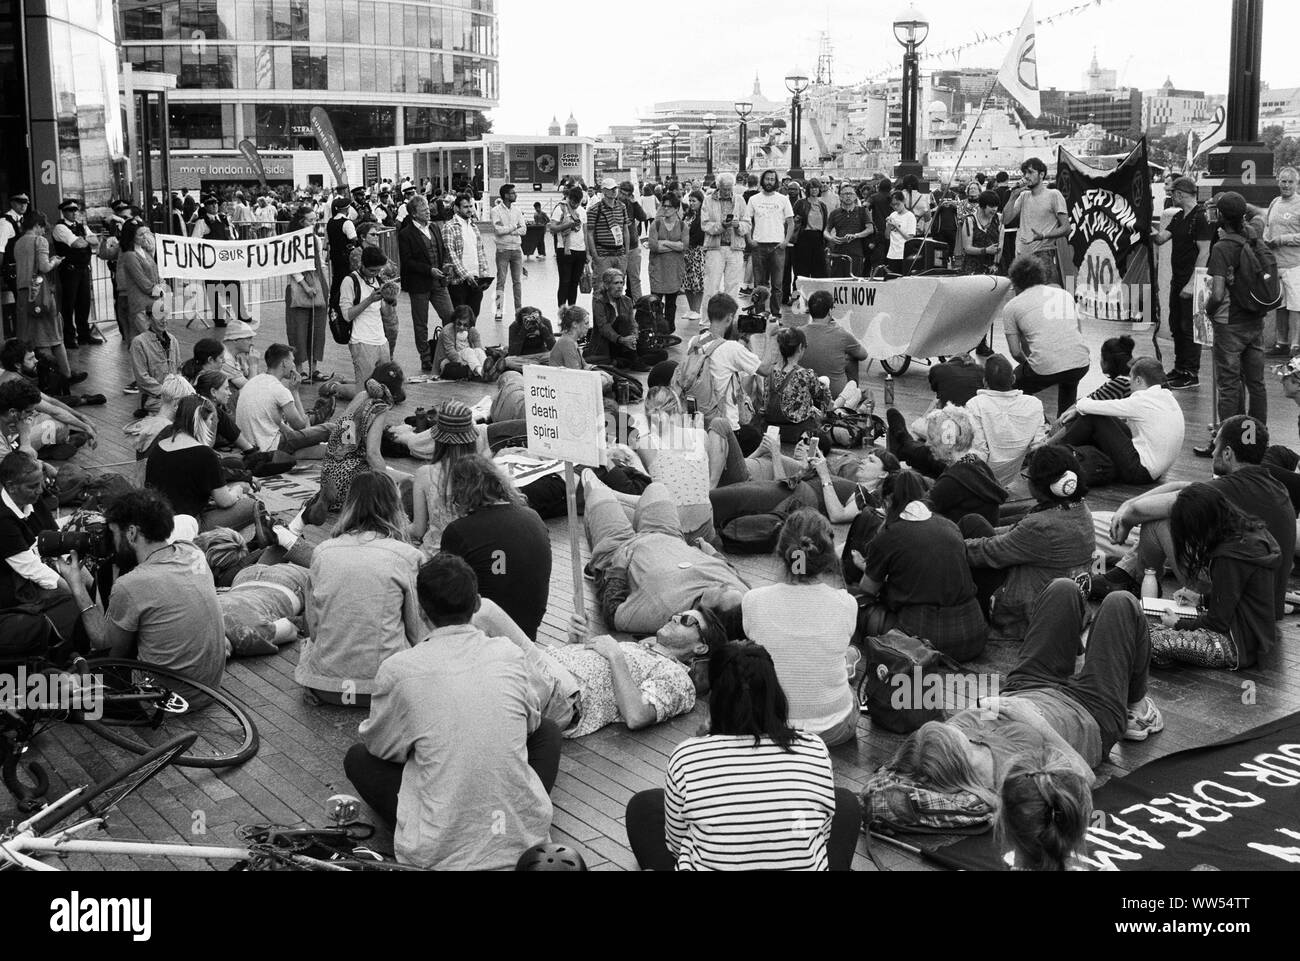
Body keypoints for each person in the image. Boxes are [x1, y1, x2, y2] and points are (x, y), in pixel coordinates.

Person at [865, 581, 1163, 843]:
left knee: (1062, 589)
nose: (959, 729)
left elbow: (877, 791)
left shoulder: (942, 746)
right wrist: (1036, 722)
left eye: (954, 731)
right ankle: (1135, 708)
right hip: (1088, 714)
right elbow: (1084, 778)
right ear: (960, 761)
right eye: (959, 737)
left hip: (1027, 687)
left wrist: (990, 708)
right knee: (1120, 602)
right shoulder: (1013, 777)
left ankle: (1073, 661)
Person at [344, 553, 558, 870]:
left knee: (358, 757)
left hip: (439, 849)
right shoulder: (507, 652)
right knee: (548, 732)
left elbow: (381, 746)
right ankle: (516, 811)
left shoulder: (398, 669)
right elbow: (531, 721)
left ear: (420, 610)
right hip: (521, 840)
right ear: (476, 604)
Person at [624, 641, 859, 871]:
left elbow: (675, 844)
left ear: (716, 697)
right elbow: (823, 834)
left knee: (643, 806)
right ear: (774, 693)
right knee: (845, 802)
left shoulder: (686, 757)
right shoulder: (814, 748)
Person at [1096, 415, 1294, 622]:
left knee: (1157, 522)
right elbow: (1182, 487)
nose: (1213, 453)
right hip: (1266, 602)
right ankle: (1130, 575)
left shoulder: (1223, 489)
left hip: (1234, 601)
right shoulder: (1274, 485)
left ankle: (1139, 584)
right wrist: (1126, 506)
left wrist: (1126, 519)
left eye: (1215, 446)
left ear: (1227, 454)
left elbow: (1141, 510)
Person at [55, 487, 226, 690]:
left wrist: (77, 586)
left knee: (45, 688)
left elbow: (107, 650)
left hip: (161, 699)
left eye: (113, 533)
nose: (111, 542)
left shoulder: (132, 583)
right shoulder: (192, 552)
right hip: (209, 688)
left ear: (132, 532)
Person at [297, 472, 425, 706]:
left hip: (326, 686)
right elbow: (417, 632)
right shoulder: (408, 556)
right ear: (394, 507)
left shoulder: (322, 552)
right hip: (384, 688)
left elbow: (313, 629)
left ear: (349, 505)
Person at [582, 468, 747, 636]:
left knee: (596, 493)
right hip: (667, 534)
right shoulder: (741, 594)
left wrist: (617, 571)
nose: (723, 584)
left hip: (619, 548)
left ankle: (616, 504)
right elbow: (731, 570)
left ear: (709, 613)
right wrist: (714, 555)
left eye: (722, 591)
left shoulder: (663, 611)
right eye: (728, 586)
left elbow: (612, 615)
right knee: (657, 488)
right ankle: (624, 504)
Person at [741, 509, 857, 746]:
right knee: (849, 654)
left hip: (769, 726)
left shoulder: (753, 600)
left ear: (781, 552)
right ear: (826, 556)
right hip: (832, 730)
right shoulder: (846, 603)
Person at [963, 445, 1096, 641]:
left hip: (1029, 616)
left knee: (970, 532)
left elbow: (989, 552)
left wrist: (949, 543)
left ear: (1043, 486)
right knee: (976, 525)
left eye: (1029, 477)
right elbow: (1016, 534)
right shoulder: (1080, 508)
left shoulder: (1041, 525)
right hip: (1067, 607)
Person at [854, 469, 987, 660]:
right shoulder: (949, 525)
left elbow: (868, 588)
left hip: (924, 640)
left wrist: (863, 567)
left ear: (889, 500)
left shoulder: (888, 535)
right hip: (973, 635)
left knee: (855, 602)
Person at [1147, 483, 1279, 671]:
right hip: (1249, 636)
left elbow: (1217, 623)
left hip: (1233, 645)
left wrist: (1178, 623)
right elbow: (1237, 595)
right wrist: (1201, 599)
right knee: (1146, 633)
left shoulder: (1229, 556)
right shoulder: (1247, 535)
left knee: (1151, 639)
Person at [554, 600, 731, 739]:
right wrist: (573, 642)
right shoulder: (639, 648)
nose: (675, 619)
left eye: (687, 621)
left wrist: (615, 655)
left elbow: (637, 716)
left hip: (562, 692)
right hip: (548, 667)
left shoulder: (678, 678)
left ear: (700, 647)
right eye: (677, 615)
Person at [440, 454, 551, 641]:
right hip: (527, 630)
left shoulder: (459, 531)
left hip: (485, 635)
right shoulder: (534, 518)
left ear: (461, 491)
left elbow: (445, 593)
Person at [1058, 357, 1185, 486]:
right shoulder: (1166, 397)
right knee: (1102, 416)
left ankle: (1051, 454)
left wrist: (1078, 407)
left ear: (1139, 380)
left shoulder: (1142, 400)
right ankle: (1059, 452)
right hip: (1154, 471)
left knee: (1094, 416)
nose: (1129, 383)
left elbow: (1090, 406)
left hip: (1140, 472)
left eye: (1131, 378)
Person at [1204, 191, 1268, 432]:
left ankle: (1232, 439)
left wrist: (1207, 310)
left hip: (1230, 324)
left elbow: (1218, 294)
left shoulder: (1222, 247)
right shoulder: (1255, 235)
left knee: (1230, 384)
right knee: (1256, 384)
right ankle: (1257, 437)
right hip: (1255, 321)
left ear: (1220, 215)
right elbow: (1259, 214)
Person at [678, 293, 775, 454]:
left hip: (699, 423)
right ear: (730, 318)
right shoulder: (731, 349)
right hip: (726, 428)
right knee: (759, 439)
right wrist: (770, 336)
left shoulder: (694, 342)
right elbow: (765, 370)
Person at [145, 395, 256, 531]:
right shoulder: (204, 454)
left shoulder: (159, 447)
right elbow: (225, 501)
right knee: (252, 505)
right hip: (189, 527)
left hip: (158, 523)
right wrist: (237, 491)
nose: (211, 424)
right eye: (210, 419)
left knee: (234, 477)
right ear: (200, 422)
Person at [1003, 255, 1090, 417]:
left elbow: (1015, 352)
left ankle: (1039, 424)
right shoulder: (1064, 294)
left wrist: (1031, 364)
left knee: (1012, 387)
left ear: (1015, 281)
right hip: (1081, 363)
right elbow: (1077, 332)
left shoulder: (1011, 307)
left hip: (1046, 368)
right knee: (1068, 386)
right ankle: (1062, 431)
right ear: (1041, 276)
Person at [1151, 176, 1212, 388]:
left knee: (1190, 327)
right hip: (1178, 278)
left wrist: (1192, 283)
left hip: (1193, 281)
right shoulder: (1178, 216)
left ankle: (1191, 371)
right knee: (1176, 324)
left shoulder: (1201, 217)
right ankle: (1179, 367)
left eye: (1171, 193)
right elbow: (1161, 239)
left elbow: (1205, 252)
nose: (1170, 196)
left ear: (1180, 194)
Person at [320, 360, 405, 506]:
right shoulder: (379, 407)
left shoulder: (361, 396)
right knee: (408, 481)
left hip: (328, 479)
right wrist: (388, 490)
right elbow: (373, 455)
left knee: (395, 475)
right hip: (349, 485)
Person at [965, 354, 1048, 494]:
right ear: (1014, 379)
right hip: (1011, 476)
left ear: (985, 382)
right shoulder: (1034, 404)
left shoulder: (976, 404)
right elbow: (1039, 446)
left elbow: (979, 451)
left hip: (980, 476)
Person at [410, 401, 482, 554]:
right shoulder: (484, 474)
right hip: (472, 557)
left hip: (435, 557)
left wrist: (394, 527)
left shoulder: (425, 474)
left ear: (438, 439)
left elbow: (418, 530)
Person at [235, 343, 331, 456]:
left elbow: (279, 423)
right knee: (330, 428)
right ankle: (352, 449)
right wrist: (295, 392)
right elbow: (300, 427)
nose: (294, 365)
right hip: (270, 446)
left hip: (250, 445)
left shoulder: (254, 381)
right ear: (285, 363)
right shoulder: (279, 390)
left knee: (312, 442)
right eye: (292, 361)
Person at [12, 212, 74, 386]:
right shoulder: (40, 241)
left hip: (24, 295)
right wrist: (55, 261)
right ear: (38, 225)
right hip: (41, 293)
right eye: (42, 228)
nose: (43, 231)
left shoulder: (18, 243)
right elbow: (44, 267)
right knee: (53, 335)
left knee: (32, 336)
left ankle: (42, 377)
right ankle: (63, 375)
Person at [396, 195, 452, 375]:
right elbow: (407, 261)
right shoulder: (406, 234)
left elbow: (442, 250)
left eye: (428, 208)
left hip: (439, 281)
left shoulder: (435, 227)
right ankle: (425, 357)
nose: (429, 211)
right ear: (414, 214)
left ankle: (445, 351)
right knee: (421, 323)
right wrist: (429, 270)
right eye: (424, 210)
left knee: (449, 316)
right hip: (419, 283)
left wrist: (445, 265)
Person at [1005, 157, 1069, 285]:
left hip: (1043, 255)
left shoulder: (1054, 195)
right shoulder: (1023, 196)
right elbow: (1006, 220)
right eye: (1024, 173)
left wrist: (1043, 236)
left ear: (1041, 174)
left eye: (1030, 172)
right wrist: (1012, 197)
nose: (1026, 176)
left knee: (1045, 297)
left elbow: (1066, 228)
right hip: (1021, 255)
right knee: (1024, 299)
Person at [283, 205, 329, 381]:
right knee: (298, 330)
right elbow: (291, 267)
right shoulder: (292, 240)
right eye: (311, 220)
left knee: (317, 330)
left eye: (315, 219)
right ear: (301, 222)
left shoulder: (316, 239)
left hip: (317, 285)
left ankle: (314, 368)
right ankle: (300, 368)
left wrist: (325, 284)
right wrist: (305, 285)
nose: (314, 222)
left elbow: (321, 262)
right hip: (298, 288)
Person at [340, 246, 395, 390]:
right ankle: (335, 388)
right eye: (372, 270)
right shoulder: (349, 281)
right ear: (362, 265)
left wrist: (390, 299)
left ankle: (344, 382)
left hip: (381, 339)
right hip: (361, 340)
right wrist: (369, 300)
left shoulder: (378, 279)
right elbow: (347, 315)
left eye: (378, 270)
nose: (375, 274)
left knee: (387, 388)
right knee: (364, 392)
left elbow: (384, 312)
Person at [50, 198, 103, 347]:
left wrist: (84, 239)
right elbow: (77, 243)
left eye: (75, 210)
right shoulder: (60, 228)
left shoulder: (81, 226)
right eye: (70, 211)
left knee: (83, 303)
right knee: (69, 305)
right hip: (69, 270)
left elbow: (95, 241)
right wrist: (85, 240)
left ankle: (84, 335)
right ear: (63, 212)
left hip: (83, 269)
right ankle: (69, 338)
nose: (73, 213)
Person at [764, 326, 832, 443]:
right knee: (824, 381)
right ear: (800, 347)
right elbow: (822, 397)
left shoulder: (768, 371)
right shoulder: (804, 374)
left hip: (770, 427)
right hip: (798, 430)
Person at [799, 290, 868, 399]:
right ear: (830, 311)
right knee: (852, 357)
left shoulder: (798, 332)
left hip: (804, 392)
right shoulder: (842, 335)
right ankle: (852, 392)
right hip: (835, 396)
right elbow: (863, 355)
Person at [1263, 167, 1300, 358]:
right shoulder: (1275, 202)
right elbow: (1268, 228)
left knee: (1296, 306)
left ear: (1296, 184)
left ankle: (1295, 345)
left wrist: (1283, 239)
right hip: (1276, 264)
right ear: (1278, 182)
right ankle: (1281, 343)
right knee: (1280, 305)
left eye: (1290, 182)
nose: (1286, 185)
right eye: (1283, 181)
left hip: (1295, 264)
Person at [748, 170, 796, 317]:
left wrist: (785, 241)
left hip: (777, 246)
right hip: (759, 246)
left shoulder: (783, 199)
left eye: (772, 179)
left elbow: (791, 222)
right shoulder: (754, 199)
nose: (769, 182)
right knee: (759, 284)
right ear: (762, 181)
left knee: (777, 284)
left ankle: (776, 314)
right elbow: (747, 221)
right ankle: (759, 315)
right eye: (767, 179)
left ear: (776, 182)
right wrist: (749, 240)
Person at [191, 194, 239, 327]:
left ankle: (240, 312)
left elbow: (233, 235)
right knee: (213, 288)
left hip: (225, 259)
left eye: (216, 203)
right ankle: (218, 317)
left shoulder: (224, 219)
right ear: (205, 206)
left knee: (234, 283)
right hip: (211, 260)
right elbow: (195, 240)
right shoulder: (202, 222)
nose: (214, 206)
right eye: (211, 204)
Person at [702, 172, 750, 298]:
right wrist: (722, 226)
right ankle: (707, 318)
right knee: (711, 286)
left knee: (733, 286)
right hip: (715, 248)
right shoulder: (708, 201)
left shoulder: (740, 200)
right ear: (718, 187)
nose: (727, 192)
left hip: (735, 248)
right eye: (724, 189)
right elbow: (705, 225)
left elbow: (747, 224)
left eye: (730, 189)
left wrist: (738, 225)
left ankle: (731, 317)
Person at [128, 304, 182, 417]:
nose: (164, 320)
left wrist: (180, 390)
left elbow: (178, 369)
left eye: (165, 316)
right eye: (158, 316)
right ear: (148, 318)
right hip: (152, 398)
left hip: (173, 395)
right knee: (182, 411)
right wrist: (167, 392)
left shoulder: (173, 340)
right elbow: (142, 378)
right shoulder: (139, 342)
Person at [441, 192, 487, 320]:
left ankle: (469, 340)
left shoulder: (474, 227)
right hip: (458, 282)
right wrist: (466, 275)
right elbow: (451, 254)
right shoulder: (449, 227)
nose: (470, 210)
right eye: (466, 207)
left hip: (476, 280)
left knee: (473, 316)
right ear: (456, 208)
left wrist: (484, 274)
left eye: (471, 206)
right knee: (459, 318)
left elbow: (480, 252)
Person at [116, 219, 161, 343]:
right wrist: (155, 289)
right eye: (140, 235)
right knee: (145, 341)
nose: (144, 237)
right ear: (131, 237)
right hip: (139, 303)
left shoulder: (145, 251)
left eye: (145, 233)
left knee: (153, 339)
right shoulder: (129, 255)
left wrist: (159, 285)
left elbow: (154, 272)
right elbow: (140, 278)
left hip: (151, 301)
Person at [648, 194, 688, 333]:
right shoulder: (656, 224)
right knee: (655, 303)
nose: (665, 208)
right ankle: (657, 329)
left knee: (671, 303)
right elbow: (653, 246)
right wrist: (674, 245)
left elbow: (684, 246)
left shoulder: (683, 225)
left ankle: (669, 330)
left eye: (669, 206)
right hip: (657, 269)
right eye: (663, 206)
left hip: (675, 270)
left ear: (676, 208)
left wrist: (664, 242)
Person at [585, 177, 633, 287]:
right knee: (601, 287)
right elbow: (590, 234)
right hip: (603, 255)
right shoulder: (594, 210)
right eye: (610, 189)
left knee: (618, 287)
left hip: (620, 254)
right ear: (603, 191)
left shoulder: (622, 207)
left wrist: (626, 253)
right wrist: (595, 256)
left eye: (615, 188)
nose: (613, 191)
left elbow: (625, 230)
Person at [194, 369, 253, 454]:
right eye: (226, 389)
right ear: (213, 392)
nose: (230, 393)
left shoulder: (216, 411)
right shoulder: (206, 413)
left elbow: (235, 435)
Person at [491, 183, 526, 321]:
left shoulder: (517, 210)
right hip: (502, 250)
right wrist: (514, 227)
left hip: (517, 250)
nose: (515, 195)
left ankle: (519, 310)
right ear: (506, 195)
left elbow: (524, 229)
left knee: (517, 282)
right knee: (501, 281)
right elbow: (498, 230)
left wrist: (510, 230)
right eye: (513, 193)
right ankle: (498, 310)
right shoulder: (496, 211)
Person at [549, 186, 587, 308]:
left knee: (574, 283)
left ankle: (572, 309)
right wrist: (567, 225)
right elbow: (552, 228)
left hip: (580, 251)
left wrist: (587, 252)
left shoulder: (582, 211)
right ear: (568, 198)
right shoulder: (560, 208)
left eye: (577, 203)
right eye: (573, 202)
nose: (575, 205)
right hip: (565, 250)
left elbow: (585, 232)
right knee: (565, 282)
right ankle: (562, 310)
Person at [825, 182, 873, 277]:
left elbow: (870, 229)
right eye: (845, 194)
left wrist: (856, 235)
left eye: (850, 194)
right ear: (840, 197)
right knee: (838, 282)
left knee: (854, 282)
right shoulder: (835, 213)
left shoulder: (862, 211)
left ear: (855, 197)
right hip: (838, 253)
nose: (848, 196)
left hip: (856, 253)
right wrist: (831, 238)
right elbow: (826, 231)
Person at [432, 304, 487, 380]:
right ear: (455, 321)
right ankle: (480, 372)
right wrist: (466, 364)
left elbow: (479, 348)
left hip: (468, 359)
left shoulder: (472, 331)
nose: (461, 327)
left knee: (479, 351)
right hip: (450, 361)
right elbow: (451, 353)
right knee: (468, 352)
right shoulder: (447, 331)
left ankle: (487, 370)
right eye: (459, 324)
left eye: (465, 325)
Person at [790, 179, 829, 283]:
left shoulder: (822, 205)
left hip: (819, 238)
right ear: (808, 189)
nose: (814, 190)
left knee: (820, 270)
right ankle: (798, 295)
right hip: (804, 237)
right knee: (802, 269)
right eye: (812, 188)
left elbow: (826, 223)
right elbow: (792, 221)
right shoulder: (801, 203)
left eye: (816, 188)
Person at [326, 196, 359, 313]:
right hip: (346, 256)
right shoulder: (346, 223)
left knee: (337, 279)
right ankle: (343, 304)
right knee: (346, 280)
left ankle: (333, 304)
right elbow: (353, 239)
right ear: (347, 209)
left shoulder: (330, 222)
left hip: (335, 255)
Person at [959, 190, 1003, 274]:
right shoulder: (970, 220)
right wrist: (985, 250)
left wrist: (995, 264)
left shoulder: (999, 219)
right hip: (973, 267)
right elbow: (967, 248)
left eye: (996, 206)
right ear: (982, 206)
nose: (995, 209)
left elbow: (1000, 244)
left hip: (993, 266)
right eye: (991, 206)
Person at [503, 305, 556, 372]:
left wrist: (542, 328)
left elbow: (553, 347)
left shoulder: (545, 322)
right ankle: (541, 368)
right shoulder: (514, 326)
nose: (531, 322)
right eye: (527, 319)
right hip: (524, 357)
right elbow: (513, 353)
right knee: (508, 361)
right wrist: (523, 331)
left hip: (543, 355)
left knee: (559, 355)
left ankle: (533, 368)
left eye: (534, 318)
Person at [681, 190, 707, 321]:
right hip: (685, 251)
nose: (691, 203)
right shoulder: (687, 215)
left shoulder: (702, 216)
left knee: (697, 281)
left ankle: (697, 309)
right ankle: (691, 308)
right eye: (690, 200)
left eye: (694, 201)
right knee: (687, 281)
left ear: (701, 202)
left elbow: (699, 235)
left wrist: (687, 244)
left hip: (696, 251)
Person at [884, 191, 918, 275]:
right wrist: (888, 226)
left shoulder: (910, 216)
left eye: (898, 204)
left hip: (904, 254)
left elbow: (910, 238)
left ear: (904, 201)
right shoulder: (892, 215)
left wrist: (896, 226)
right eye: (893, 205)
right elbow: (887, 236)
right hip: (892, 254)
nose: (895, 207)